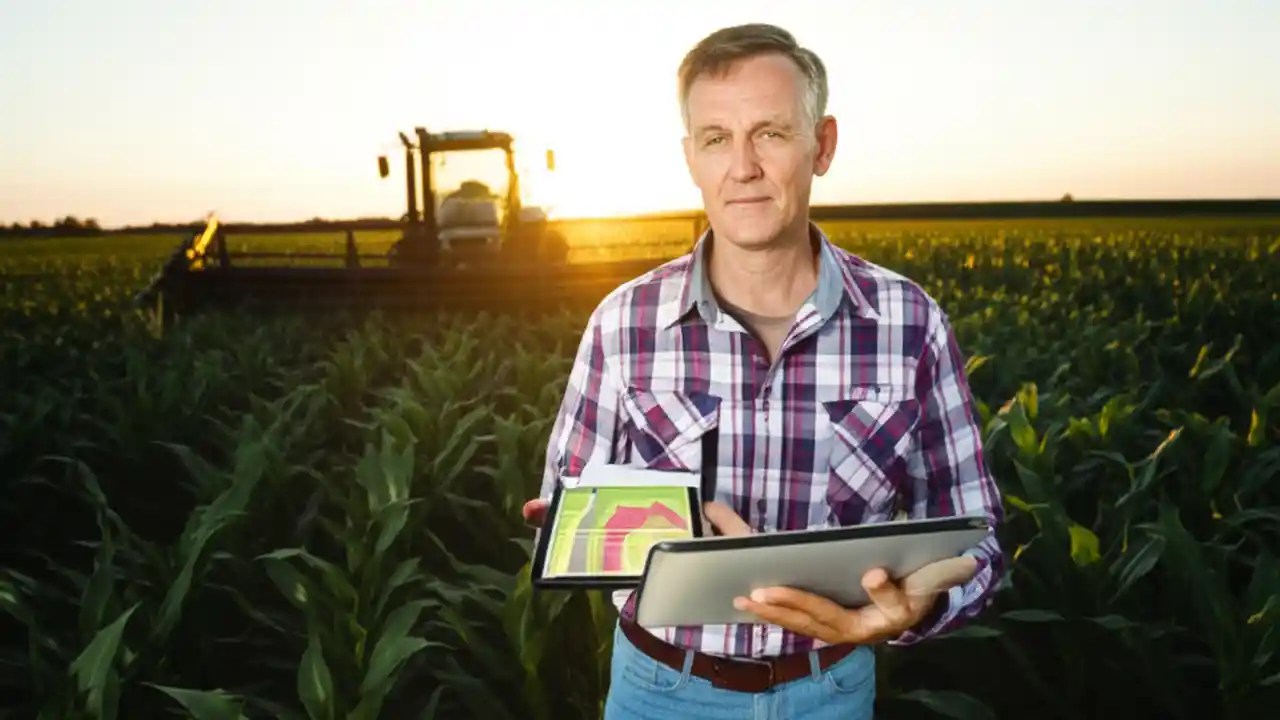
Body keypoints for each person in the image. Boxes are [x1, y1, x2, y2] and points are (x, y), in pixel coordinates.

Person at [522, 23, 1005, 719]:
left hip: (832, 691)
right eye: (716, 138)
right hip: (660, 693)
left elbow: (978, 533)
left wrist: (914, 611)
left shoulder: (909, 323)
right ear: (691, 158)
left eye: (771, 133)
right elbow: (561, 519)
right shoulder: (622, 324)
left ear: (824, 145)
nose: (742, 165)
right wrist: (584, 529)